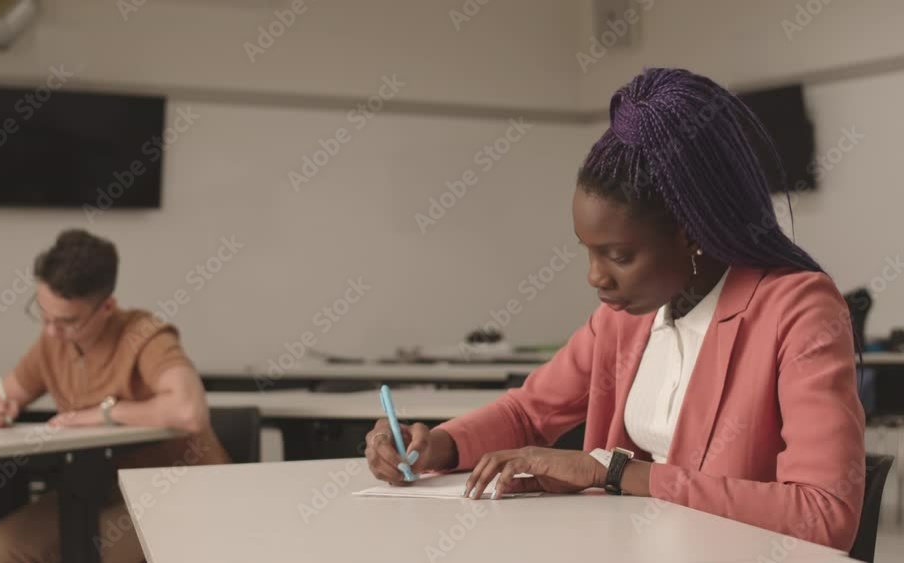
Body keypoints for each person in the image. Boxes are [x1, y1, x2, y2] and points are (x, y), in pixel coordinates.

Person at [364, 68, 865, 551]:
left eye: (619, 255)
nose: (595, 276)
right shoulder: (625, 318)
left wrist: (616, 473)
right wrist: (435, 447)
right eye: (589, 249)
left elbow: (823, 514)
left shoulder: (798, 310)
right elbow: (527, 413)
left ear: (691, 233)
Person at [0, 229, 230, 563]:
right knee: (0, 549)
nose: (51, 331)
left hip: (177, 489)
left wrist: (106, 412)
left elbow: (188, 410)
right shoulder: (53, 342)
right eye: (43, 314)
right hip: (99, 489)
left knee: (90, 551)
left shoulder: (144, 335)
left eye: (66, 321)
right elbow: (2, 394)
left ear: (107, 307)